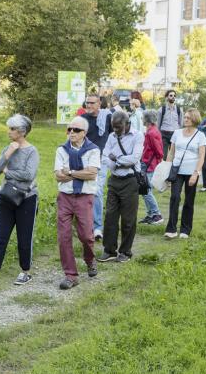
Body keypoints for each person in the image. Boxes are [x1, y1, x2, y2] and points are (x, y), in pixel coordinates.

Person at [0, 114, 39, 286]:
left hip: (27, 199)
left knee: (24, 237)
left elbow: (28, 175)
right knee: (2, 235)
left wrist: (8, 173)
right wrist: (8, 154)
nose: (9, 131)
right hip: (6, 197)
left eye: (12, 129)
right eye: (9, 128)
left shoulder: (32, 151)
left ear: (22, 131)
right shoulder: (8, 148)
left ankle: (25, 272)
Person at [54, 116, 100, 290]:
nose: (71, 133)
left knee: (86, 236)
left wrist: (71, 172)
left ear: (84, 133)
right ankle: (71, 275)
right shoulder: (61, 149)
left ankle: (90, 260)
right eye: (69, 129)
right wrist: (80, 172)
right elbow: (58, 175)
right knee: (64, 236)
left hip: (84, 196)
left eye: (76, 130)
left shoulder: (93, 150)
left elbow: (92, 174)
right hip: (65, 196)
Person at [97, 111, 142, 263]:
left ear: (127, 123)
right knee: (110, 216)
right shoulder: (111, 137)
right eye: (113, 127)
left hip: (130, 180)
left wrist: (116, 160)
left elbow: (135, 158)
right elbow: (105, 156)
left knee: (128, 219)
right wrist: (118, 161)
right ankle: (109, 250)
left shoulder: (137, 136)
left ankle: (125, 251)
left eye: (118, 127)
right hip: (114, 179)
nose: (116, 130)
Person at [164, 109, 206, 239]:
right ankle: (171, 229)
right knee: (175, 197)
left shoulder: (200, 136)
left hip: (192, 171)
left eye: (188, 118)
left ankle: (185, 229)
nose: (186, 119)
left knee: (189, 200)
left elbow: (201, 156)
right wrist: (166, 169)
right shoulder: (177, 133)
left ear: (194, 119)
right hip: (177, 170)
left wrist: (196, 173)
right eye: (185, 117)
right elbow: (171, 153)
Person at [81, 94, 112, 242]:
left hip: (102, 160)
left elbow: (114, 135)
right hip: (85, 160)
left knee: (97, 191)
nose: (89, 105)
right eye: (87, 103)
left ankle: (98, 227)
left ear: (99, 103)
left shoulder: (107, 117)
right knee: (84, 192)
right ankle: (85, 224)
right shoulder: (83, 120)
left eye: (92, 103)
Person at [139, 110, 165, 225]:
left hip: (150, 164)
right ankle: (150, 214)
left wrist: (158, 160)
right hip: (148, 163)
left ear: (147, 120)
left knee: (146, 190)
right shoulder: (151, 130)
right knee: (145, 190)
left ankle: (156, 214)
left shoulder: (151, 133)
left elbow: (159, 151)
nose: (141, 119)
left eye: (143, 118)